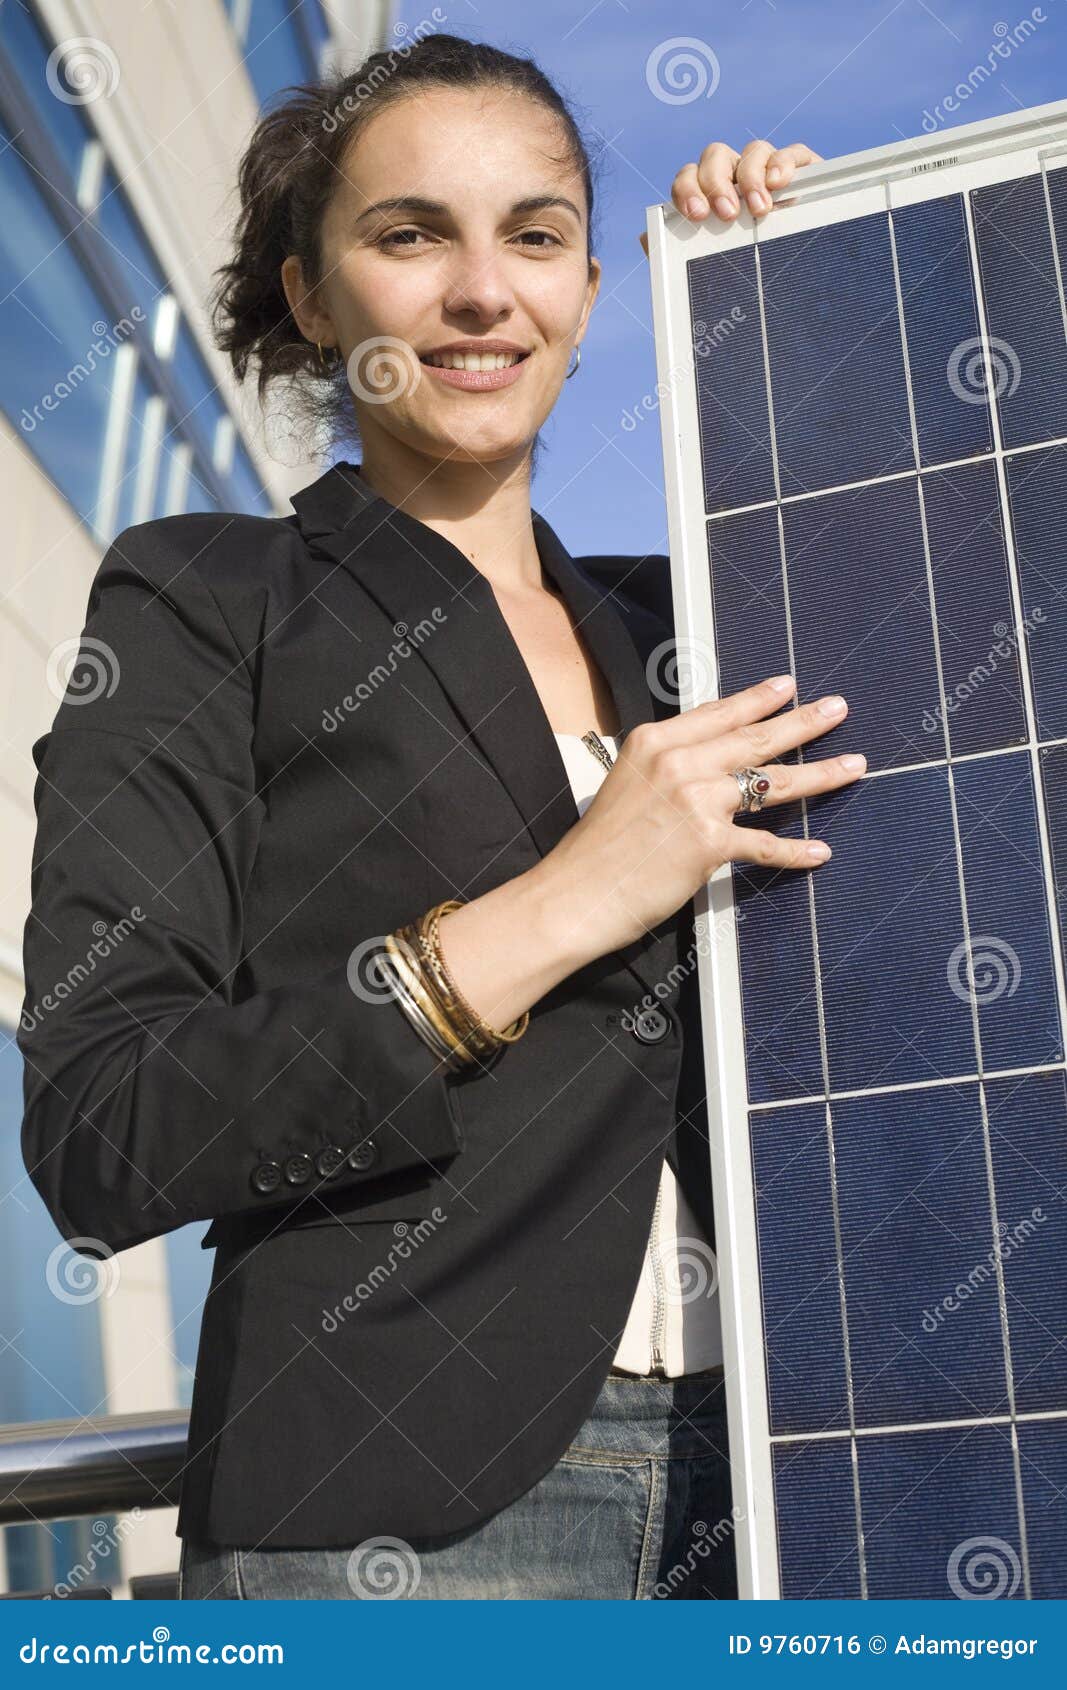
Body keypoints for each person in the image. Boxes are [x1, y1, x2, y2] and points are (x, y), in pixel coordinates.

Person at [18, 32, 862, 1600]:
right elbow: (104, 1125)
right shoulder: (209, 598)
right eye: (411, 235)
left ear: (591, 294)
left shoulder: (698, 619)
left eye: (535, 237)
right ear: (312, 297)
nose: (483, 293)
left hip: (787, 1467)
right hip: (402, 1512)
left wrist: (815, 290)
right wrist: (562, 902)